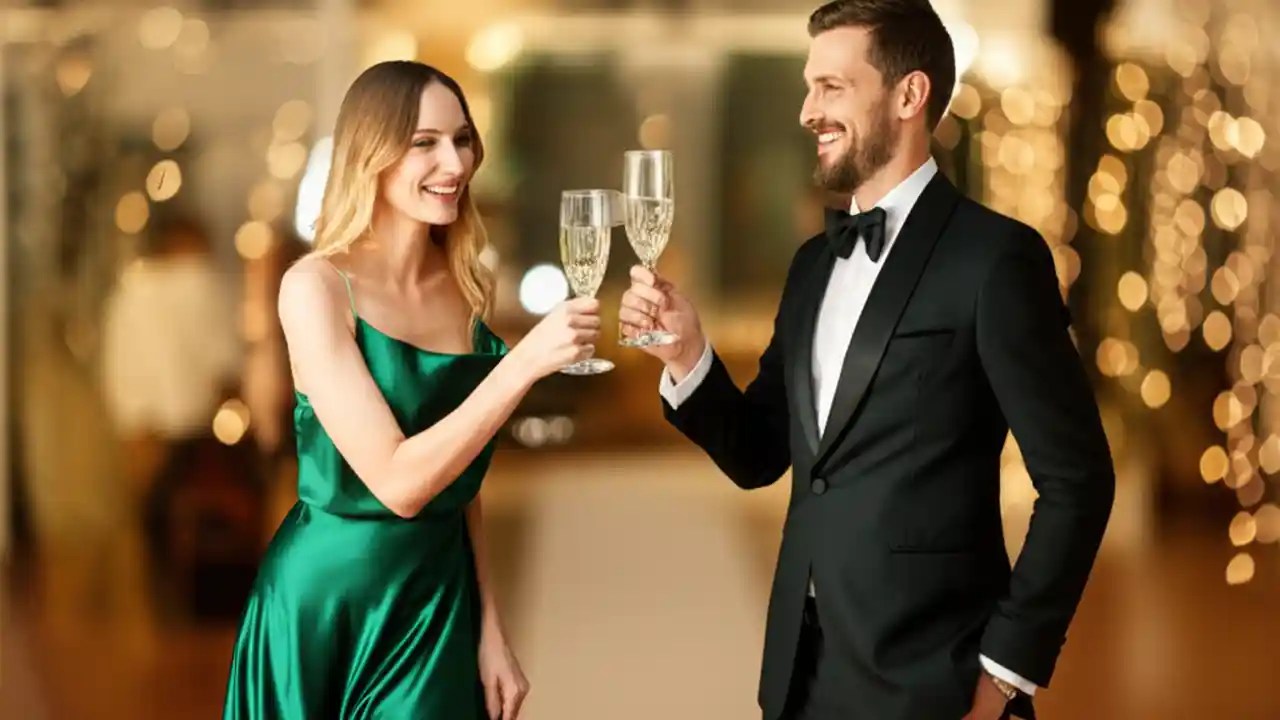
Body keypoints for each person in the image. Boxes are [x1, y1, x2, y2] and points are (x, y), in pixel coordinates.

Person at [621, 2, 1115, 719]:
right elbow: (761, 454)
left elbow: (1078, 480)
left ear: (909, 96)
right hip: (800, 677)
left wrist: (1004, 673)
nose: (806, 111)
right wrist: (689, 356)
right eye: (807, 86)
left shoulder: (996, 260)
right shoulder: (811, 266)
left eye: (831, 87)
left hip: (937, 685)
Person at [223, 60, 601, 719]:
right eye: (424, 142)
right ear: (371, 152)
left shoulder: (462, 287)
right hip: (326, 605)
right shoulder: (314, 288)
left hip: (439, 597)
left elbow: (459, 478)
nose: (454, 163)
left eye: (461, 139)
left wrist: (489, 624)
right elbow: (399, 484)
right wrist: (524, 363)